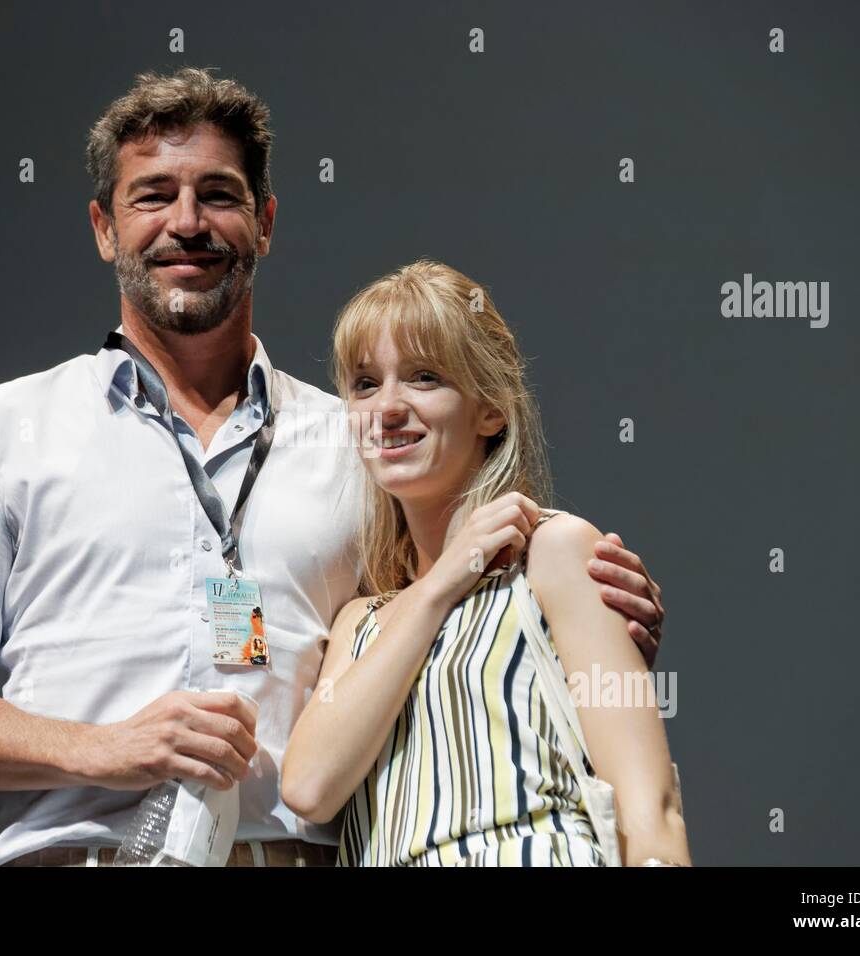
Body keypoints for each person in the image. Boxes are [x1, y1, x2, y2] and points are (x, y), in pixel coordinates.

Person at [0, 67, 667, 868]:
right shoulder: (6, 432)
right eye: (151, 196)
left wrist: (572, 622)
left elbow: (434, 626)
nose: (186, 222)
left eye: (218, 194)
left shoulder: (355, 440)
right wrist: (107, 748)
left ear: (266, 222)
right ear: (105, 228)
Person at [281, 260, 690, 867]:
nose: (388, 408)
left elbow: (649, 811)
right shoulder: (359, 623)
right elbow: (309, 788)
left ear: (491, 409)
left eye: (423, 377)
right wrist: (446, 578)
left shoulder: (553, 554)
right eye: (366, 383)